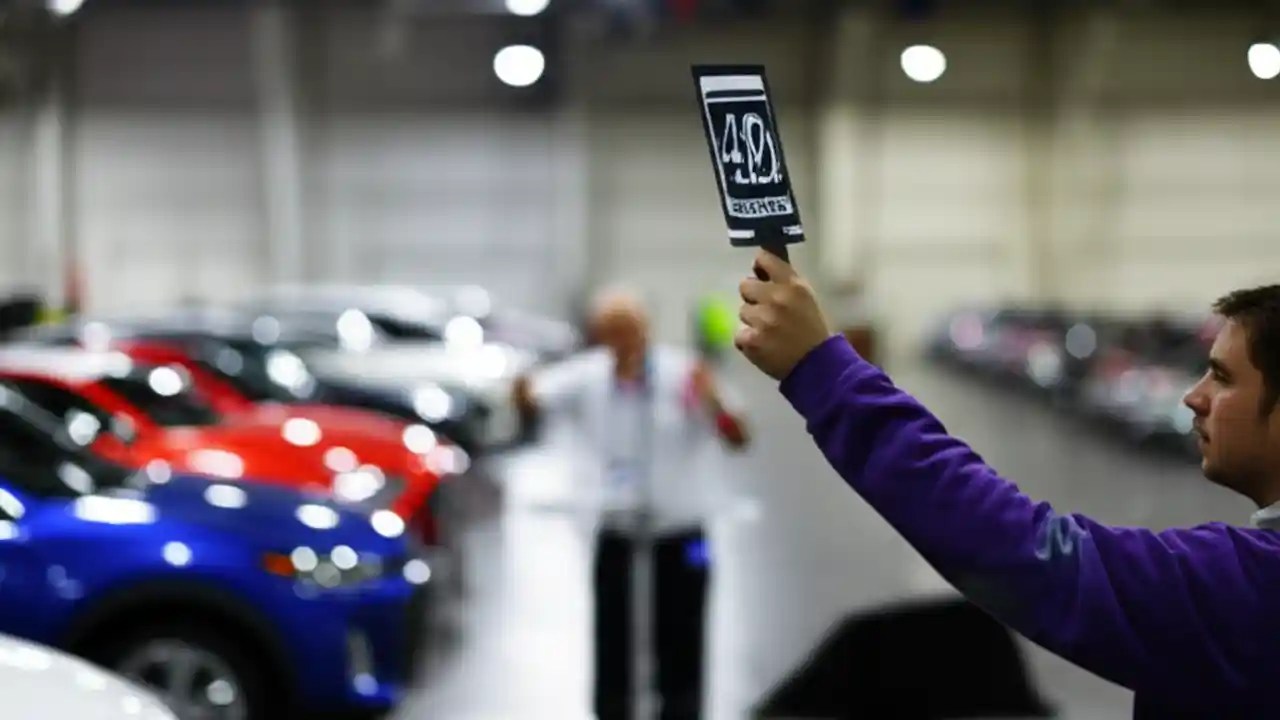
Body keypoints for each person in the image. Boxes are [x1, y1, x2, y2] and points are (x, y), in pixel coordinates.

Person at [734, 248, 1280, 718]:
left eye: (1224, 378)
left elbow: (1026, 554)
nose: (1194, 396)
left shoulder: (1253, 590)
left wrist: (824, 373)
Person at [514, 287, 750, 720]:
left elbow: (738, 436)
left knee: (682, 634)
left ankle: (681, 709)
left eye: (628, 331)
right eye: (610, 334)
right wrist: (515, 375)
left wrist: (713, 401)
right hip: (615, 524)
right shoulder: (588, 375)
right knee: (612, 635)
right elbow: (531, 397)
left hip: (680, 527)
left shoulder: (685, 375)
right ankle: (613, 710)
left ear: (645, 330)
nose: (620, 344)